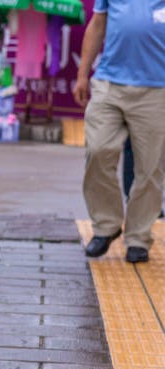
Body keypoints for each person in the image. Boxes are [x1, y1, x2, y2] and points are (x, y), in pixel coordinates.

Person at [74, 1, 165, 264]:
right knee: (98, 150)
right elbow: (97, 25)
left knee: (150, 168)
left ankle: (138, 237)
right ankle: (106, 225)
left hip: (157, 90)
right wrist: (82, 76)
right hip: (109, 84)